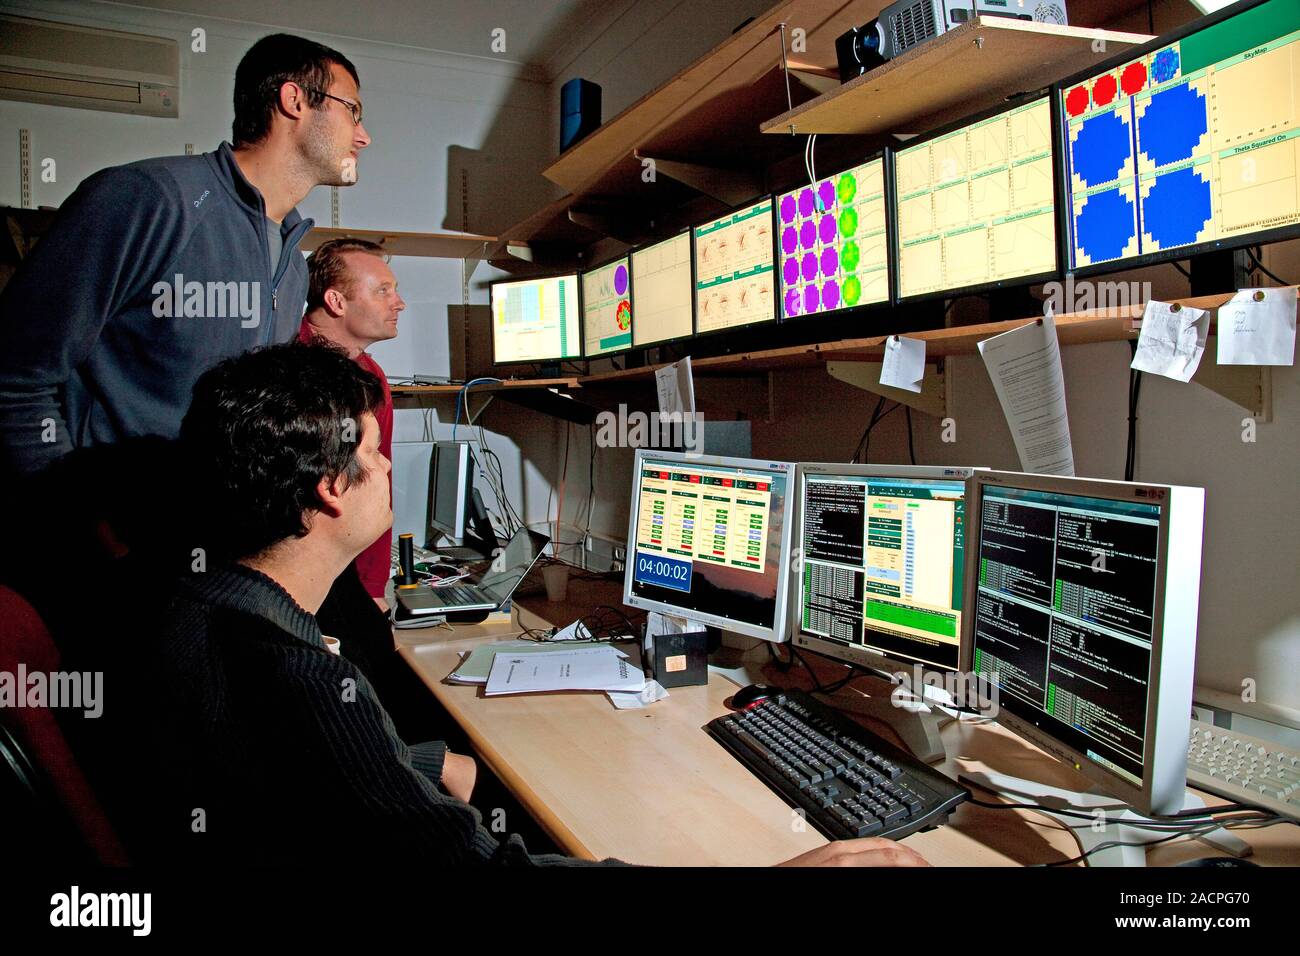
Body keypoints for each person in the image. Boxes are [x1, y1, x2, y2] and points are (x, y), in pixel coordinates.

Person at [94, 342, 930, 868]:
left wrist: (419, 767)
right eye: (378, 455)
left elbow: (287, 783)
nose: (389, 470)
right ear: (327, 491)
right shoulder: (298, 677)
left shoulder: (189, 607)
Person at [0, 32, 371, 482]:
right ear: (294, 99)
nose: (363, 137)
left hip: (214, 533)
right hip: (119, 534)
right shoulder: (147, 199)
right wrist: (76, 511)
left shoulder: (292, 260)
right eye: (352, 110)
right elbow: (16, 376)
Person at [300, 238, 404, 609]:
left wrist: (374, 586)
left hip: (347, 576)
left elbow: (380, 482)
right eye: (383, 290)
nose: (399, 303)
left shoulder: (372, 377)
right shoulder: (279, 360)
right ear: (336, 302)